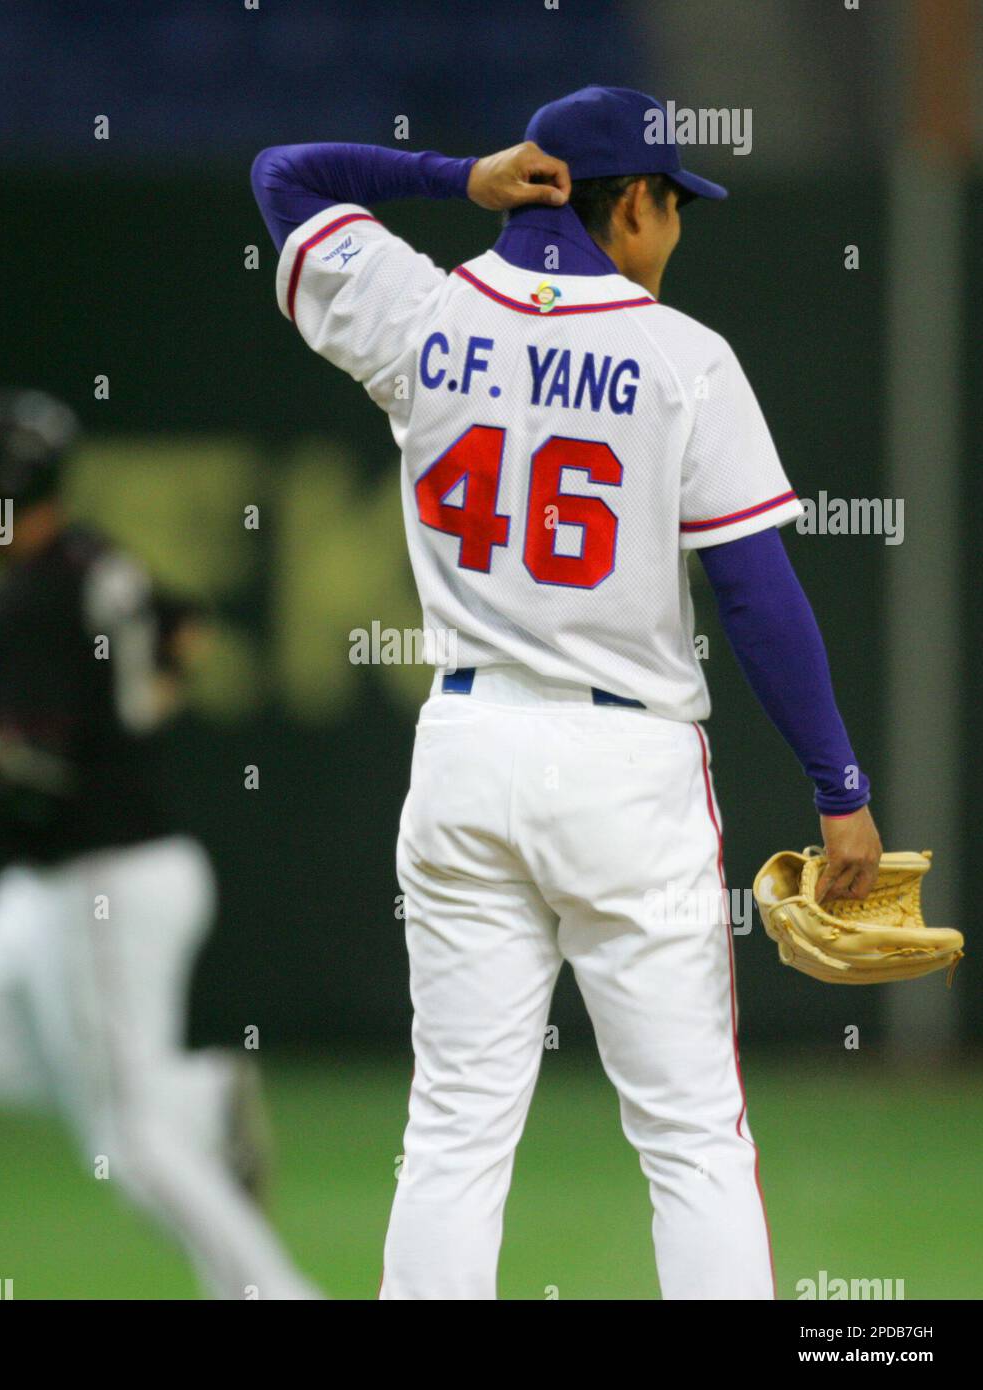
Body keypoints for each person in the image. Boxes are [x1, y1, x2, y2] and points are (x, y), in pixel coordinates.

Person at [252, 86, 881, 1300]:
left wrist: (453, 177)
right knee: (691, 1137)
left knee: (451, 1130)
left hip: (464, 743)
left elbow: (283, 173)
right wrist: (837, 786)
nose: (676, 230)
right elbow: (755, 597)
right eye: (673, 205)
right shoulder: (683, 356)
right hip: (622, 766)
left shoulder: (424, 309)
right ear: (632, 202)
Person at [0, 388, 317, 1300]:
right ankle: (194, 1097)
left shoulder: (39, 596)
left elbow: (35, 773)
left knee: (134, 1144)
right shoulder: (91, 560)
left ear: (4, 484)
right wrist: (132, 717)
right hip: (59, 879)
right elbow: (184, 630)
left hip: (104, 876)